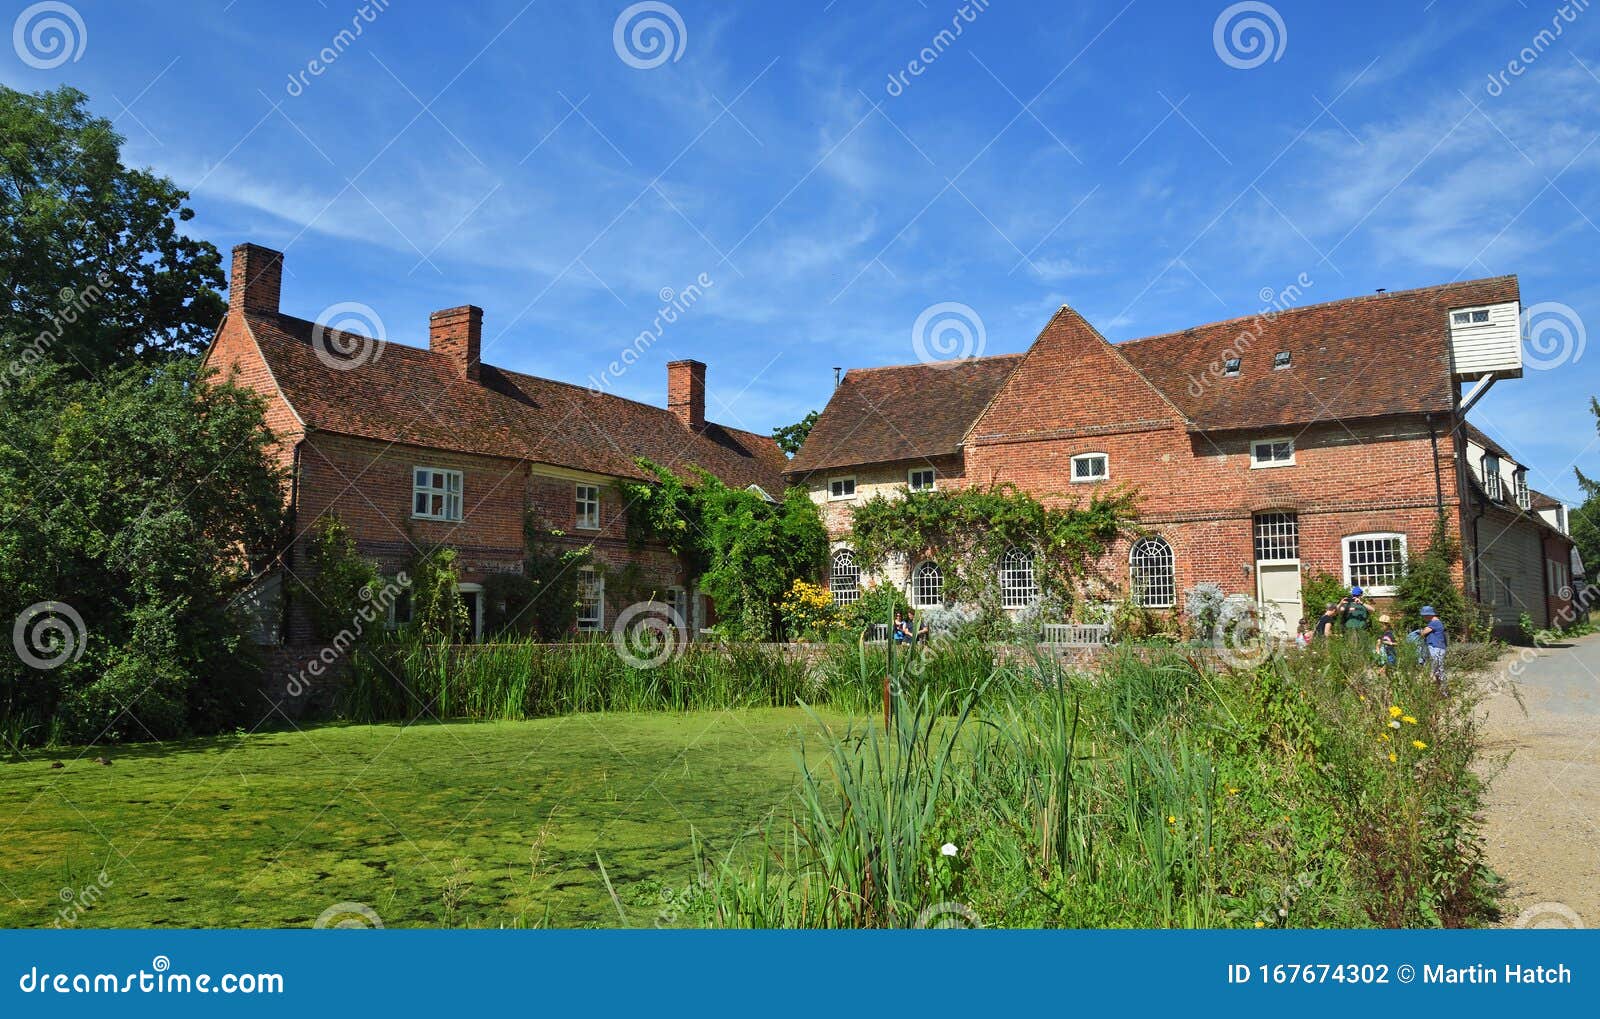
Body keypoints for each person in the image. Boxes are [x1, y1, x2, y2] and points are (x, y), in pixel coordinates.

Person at [1416, 605, 1447, 692]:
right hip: (1438, 648)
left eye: (1424, 616)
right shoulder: (1435, 623)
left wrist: (1419, 632)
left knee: (1437, 670)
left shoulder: (1434, 623)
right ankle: (1440, 691)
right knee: (1437, 670)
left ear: (1428, 615)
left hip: (1436, 648)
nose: (1423, 618)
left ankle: (1442, 692)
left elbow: (1423, 633)